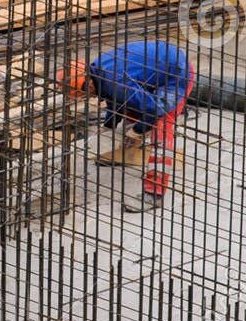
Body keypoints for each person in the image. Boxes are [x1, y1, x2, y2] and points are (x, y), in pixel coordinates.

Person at [69, 40, 194, 212]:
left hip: (176, 76)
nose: (84, 97)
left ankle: (154, 193)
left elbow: (153, 108)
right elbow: (114, 96)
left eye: (82, 94)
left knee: (161, 126)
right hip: (160, 68)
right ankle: (130, 154)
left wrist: (138, 130)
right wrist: (110, 123)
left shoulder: (115, 83)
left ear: (88, 84)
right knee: (133, 105)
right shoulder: (100, 70)